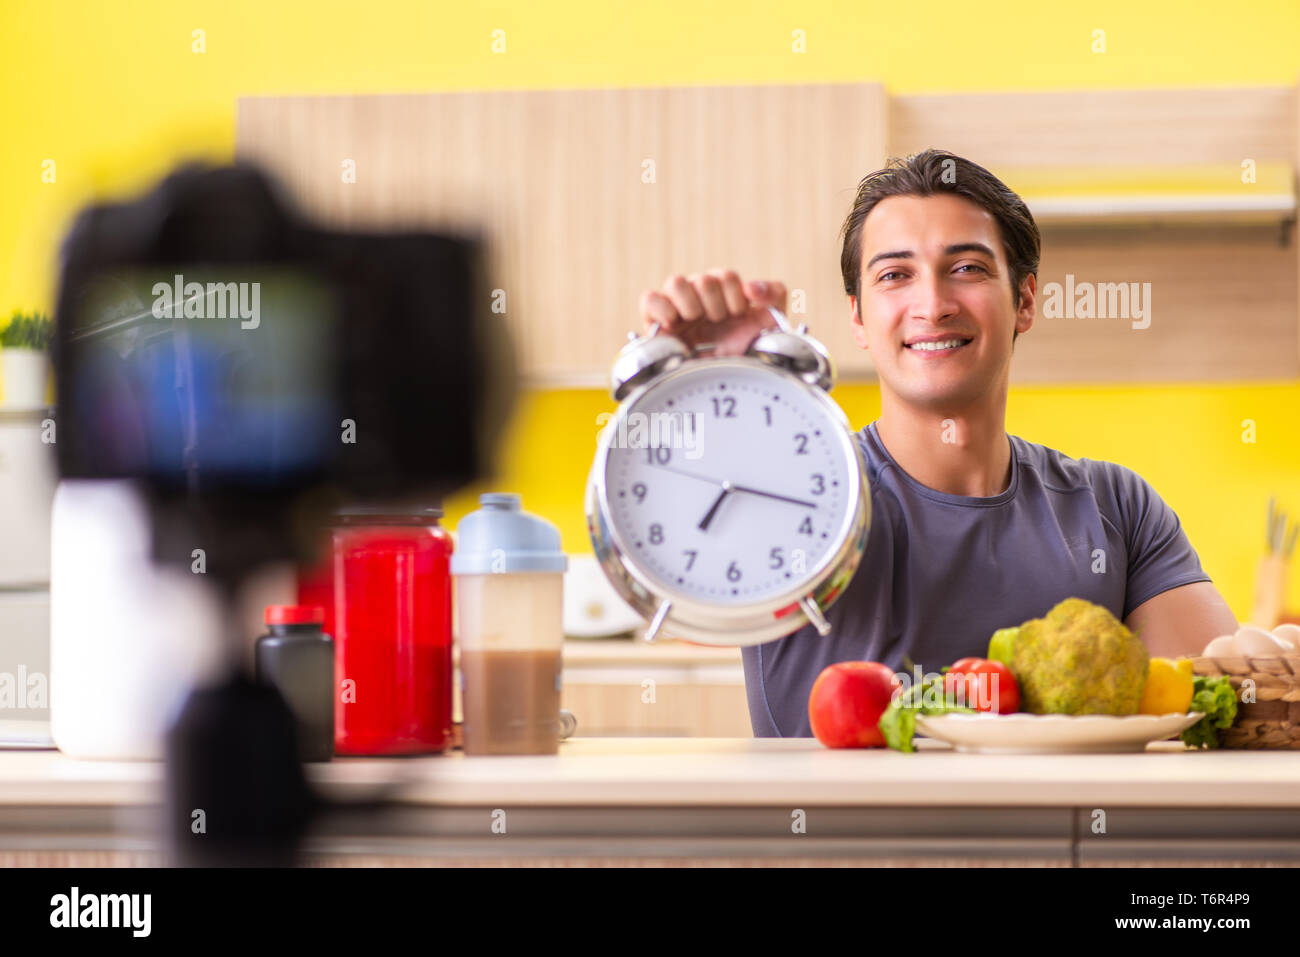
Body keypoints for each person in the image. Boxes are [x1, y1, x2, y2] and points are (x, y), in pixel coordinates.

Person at [637, 148, 1239, 737]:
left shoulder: (1117, 508)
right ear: (858, 317)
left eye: (967, 268)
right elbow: (665, 556)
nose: (932, 304)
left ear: (1024, 300)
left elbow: (1221, 709)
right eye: (895, 275)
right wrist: (706, 400)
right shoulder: (797, 495)